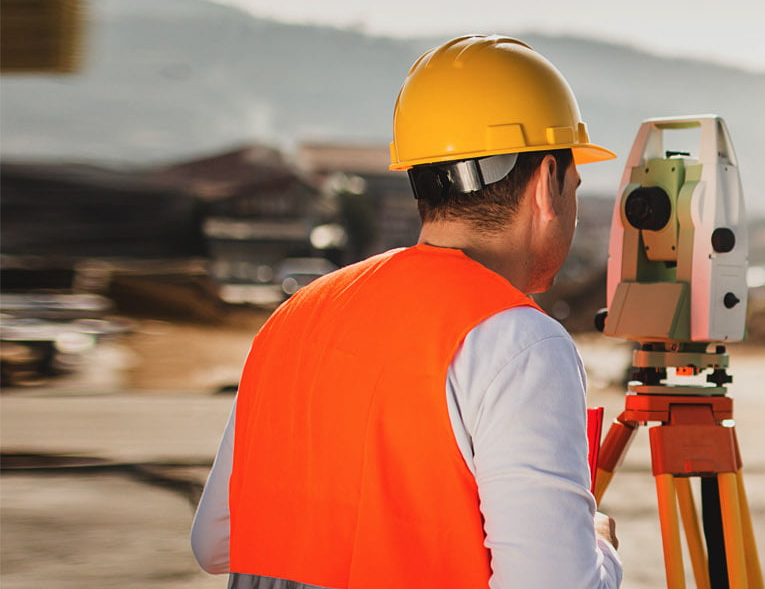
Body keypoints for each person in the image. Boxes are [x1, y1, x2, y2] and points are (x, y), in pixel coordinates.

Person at [190, 35, 623, 588]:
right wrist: (599, 548)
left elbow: (214, 544)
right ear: (545, 184)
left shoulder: (297, 316)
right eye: (575, 184)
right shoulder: (518, 342)